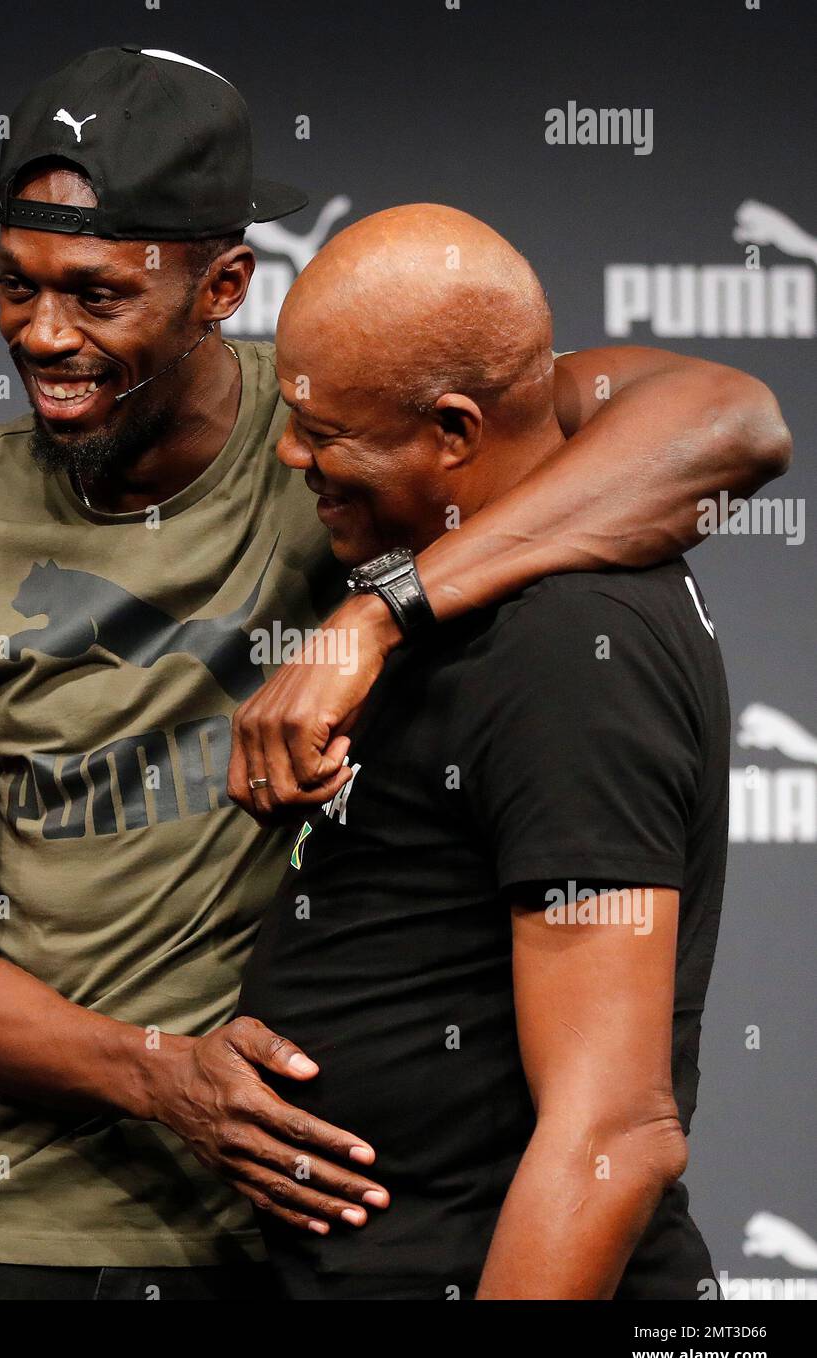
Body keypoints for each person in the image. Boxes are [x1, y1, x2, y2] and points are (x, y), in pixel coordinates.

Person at [0, 46, 787, 1300]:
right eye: (16, 285)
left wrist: (373, 614)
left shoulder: (352, 432)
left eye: (99, 294)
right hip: (43, 1231)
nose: (44, 335)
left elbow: (729, 420)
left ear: (223, 282)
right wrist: (160, 1076)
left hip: (319, 1233)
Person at [237, 204, 735, 1300]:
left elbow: (619, 1129)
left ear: (454, 433)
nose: (290, 456)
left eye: (323, 434)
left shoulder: (570, 644)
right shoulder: (466, 592)